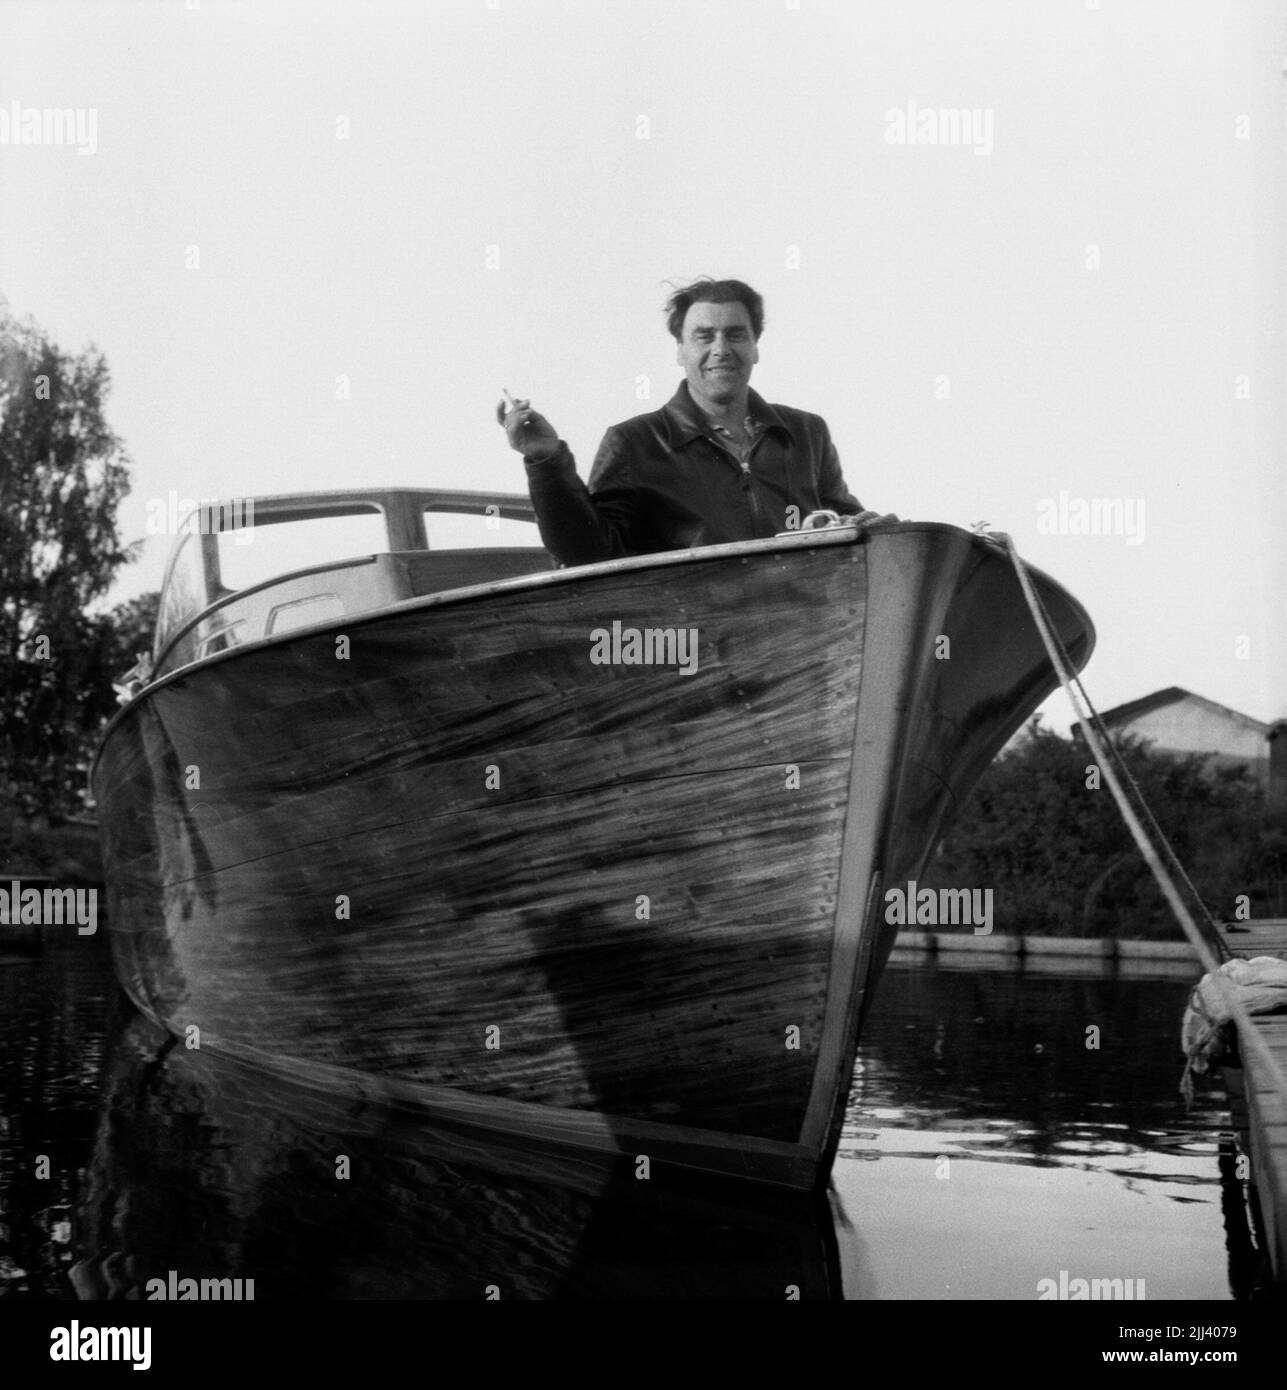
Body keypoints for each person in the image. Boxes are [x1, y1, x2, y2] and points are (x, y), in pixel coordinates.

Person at [499, 278, 881, 565]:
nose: (720, 349)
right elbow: (589, 553)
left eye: (735, 335)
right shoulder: (634, 442)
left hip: (806, 622)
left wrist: (875, 529)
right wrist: (546, 461)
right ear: (680, 351)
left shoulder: (807, 433)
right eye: (703, 336)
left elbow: (847, 526)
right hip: (694, 634)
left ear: (755, 347)